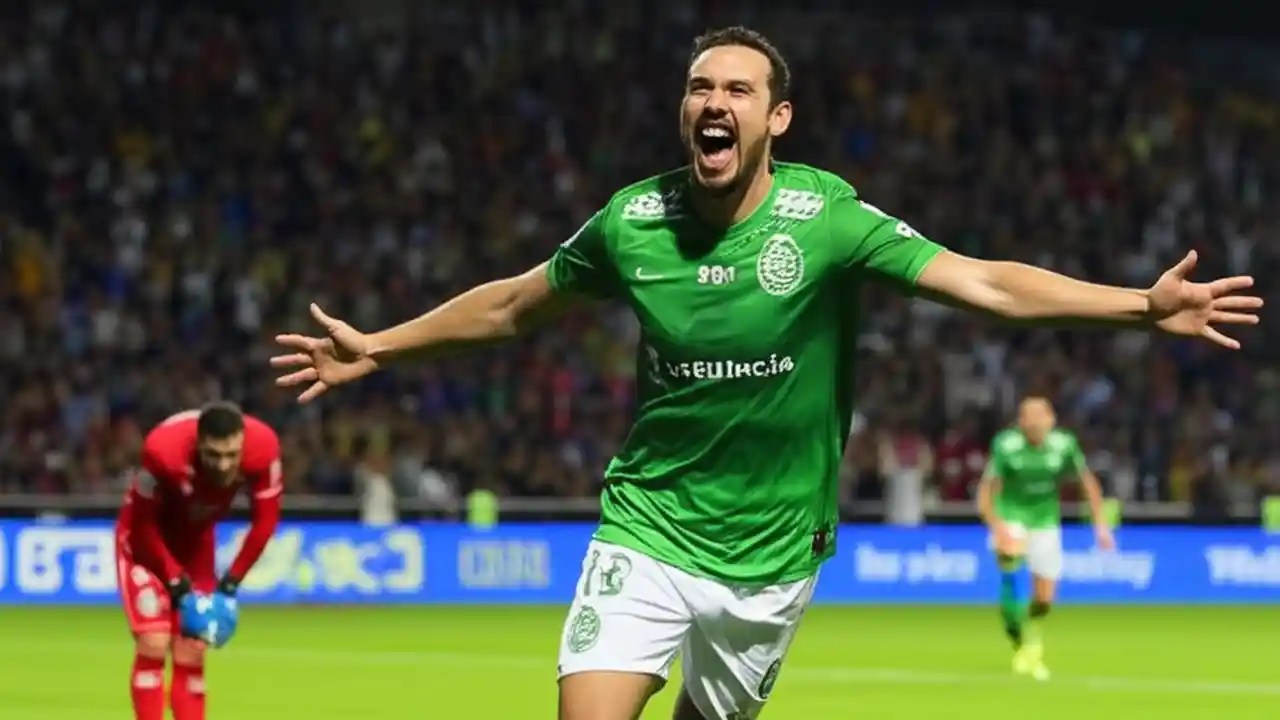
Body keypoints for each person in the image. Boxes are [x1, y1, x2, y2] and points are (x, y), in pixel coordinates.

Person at [270, 26, 1261, 720]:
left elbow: (985, 285)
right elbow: (511, 306)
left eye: (736, 90)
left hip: (773, 555)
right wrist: (381, 345)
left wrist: (1136, 305)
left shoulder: (825, 220)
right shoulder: (632, 222)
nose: (713, 103)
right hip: (648, 526)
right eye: (700, 88)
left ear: (775, 120)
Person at [115, 402, 283, 720]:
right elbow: (145, 527)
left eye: (232, 455)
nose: (223, 465)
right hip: (145, 546)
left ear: (242, 444)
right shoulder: (163, 451)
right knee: (153, 640)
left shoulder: (263, 448)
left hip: (195, 543)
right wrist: (174, 579)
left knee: (192, 650)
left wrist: (230, 584)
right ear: (198, 444)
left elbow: (265, 523)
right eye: (213, 455)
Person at [977, 397, 1114, 681]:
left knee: (1044, 598)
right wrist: (996, 525)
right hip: (1011, 515)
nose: (1036, 422)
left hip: (1046, 521)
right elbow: (987, 490)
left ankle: (1029, 636)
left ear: (1052, 420)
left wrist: (1100, 525)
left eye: (1042, 416)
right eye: (1030, 416)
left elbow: (1087, 482)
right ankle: (1020, 639)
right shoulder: (1006, 445)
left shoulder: (1064, 445)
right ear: (1021, 421)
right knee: (1011, 561)